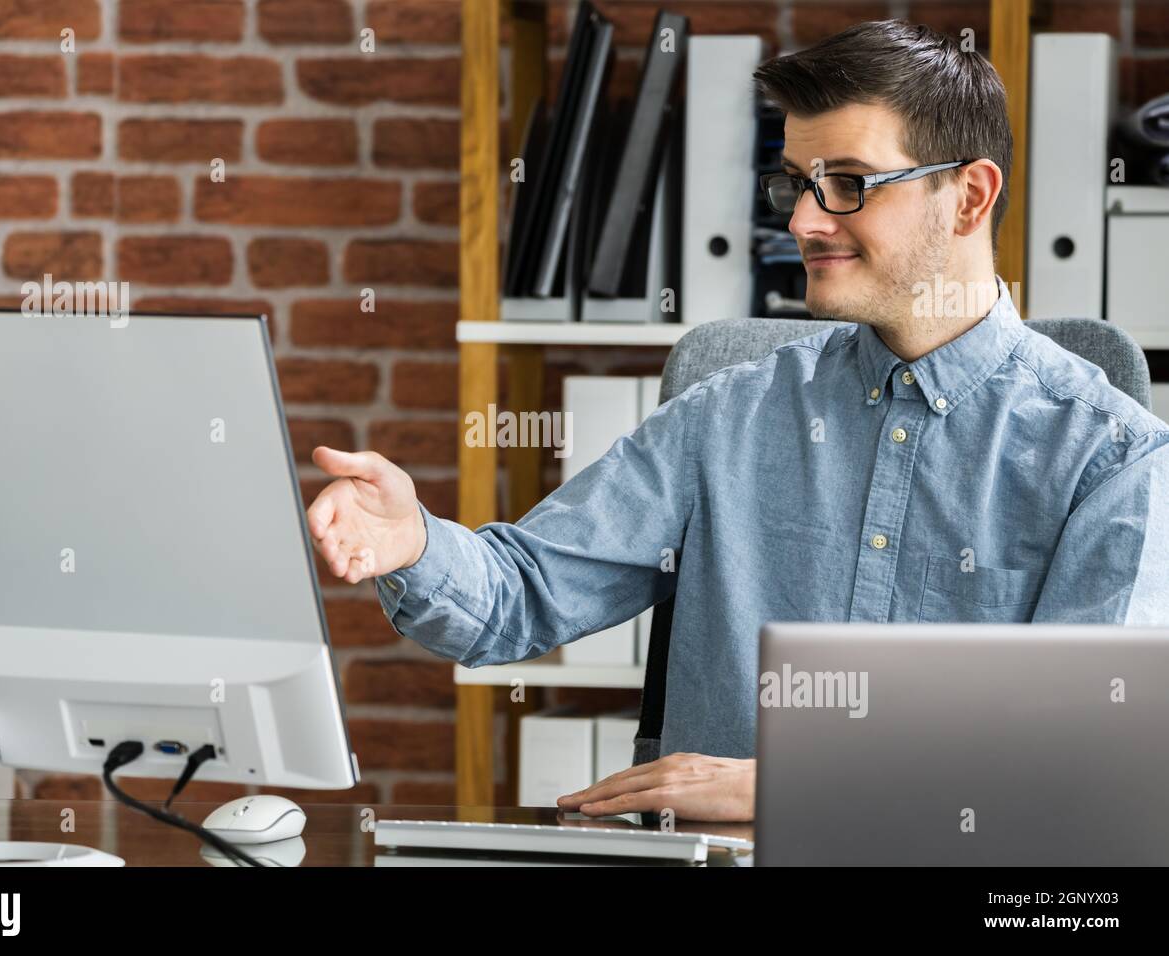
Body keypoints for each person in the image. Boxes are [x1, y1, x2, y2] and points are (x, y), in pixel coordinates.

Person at [306, 20, 1169, 823]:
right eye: (796, 184)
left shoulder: (1110, 458)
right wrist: (415, 542)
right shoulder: (732, 411)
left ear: (970, 198)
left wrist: (800, 783)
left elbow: (1083, 755)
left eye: (847, 185)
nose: (800, 220)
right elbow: (519, 598)